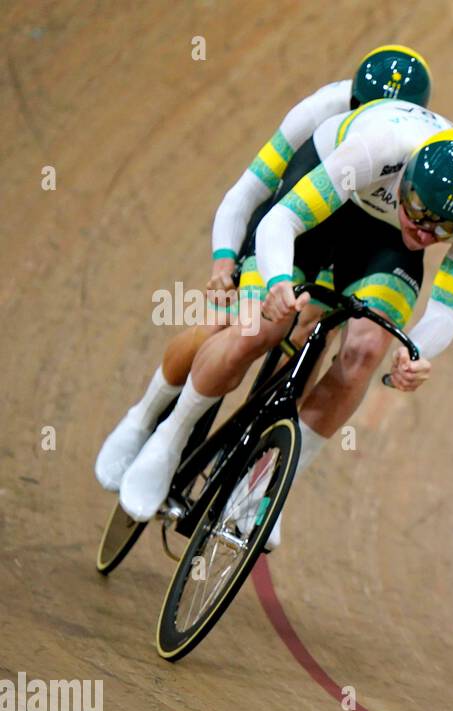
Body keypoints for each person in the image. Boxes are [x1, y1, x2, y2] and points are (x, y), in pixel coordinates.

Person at [95, 46, 434, 542]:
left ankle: (260, 475)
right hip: (303, 208)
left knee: (316, 321)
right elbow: (249, 190)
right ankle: (145, 419)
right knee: (236, 322)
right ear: (353, 103)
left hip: (370, 233)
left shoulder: (415, 152)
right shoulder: (322, 110)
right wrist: (224, 258)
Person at [116, 97, 453, 527]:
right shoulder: (375, 148)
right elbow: (281, 221)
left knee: (364, 352)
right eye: (420, 213)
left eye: (445, 229)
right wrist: (279, 282)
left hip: (384, 243)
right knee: (257, 329)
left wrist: (415, 352)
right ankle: (169, 439)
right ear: (407, 181)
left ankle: (272, 485)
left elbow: (448, 310)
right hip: (324, 206)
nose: (426, 232)